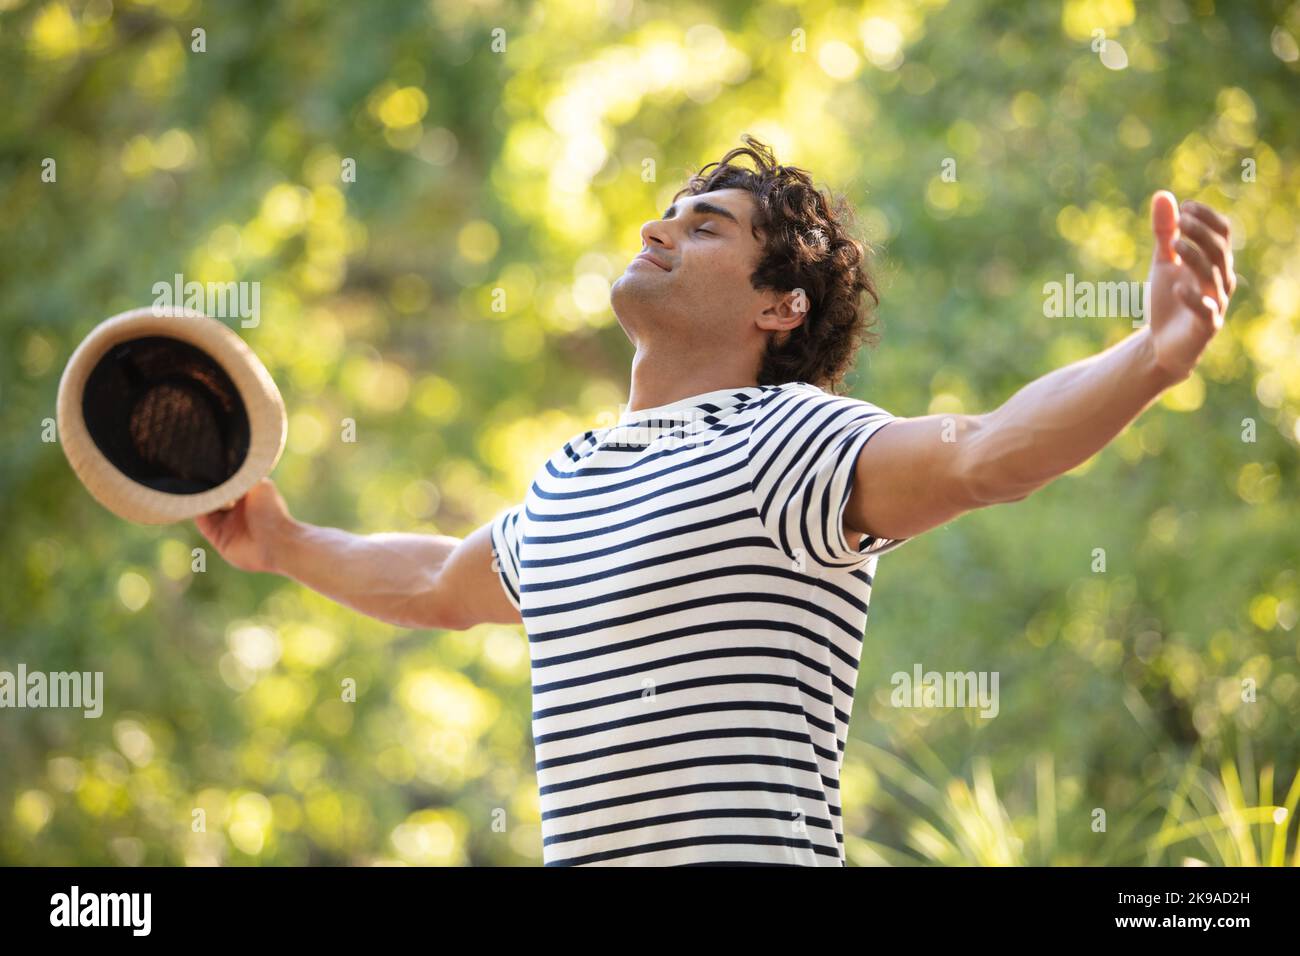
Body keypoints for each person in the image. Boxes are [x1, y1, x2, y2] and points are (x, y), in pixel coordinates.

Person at [196, 135, 1236, 866]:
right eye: (668, 213)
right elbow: (432, 577)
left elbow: (985, 452)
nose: (658, 228)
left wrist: (1148, 357)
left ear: (778, 305)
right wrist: (284, 541)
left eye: (703, 226)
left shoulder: (788, 438)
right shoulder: (569, 478)